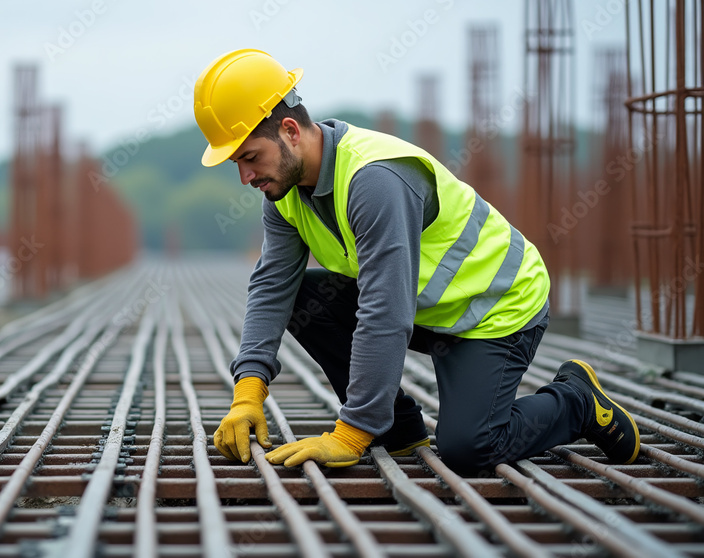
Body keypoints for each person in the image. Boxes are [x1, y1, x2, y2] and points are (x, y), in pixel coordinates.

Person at [194, 48, 640, 475]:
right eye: (237, 163)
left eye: (251, 158)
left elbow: (385, 312)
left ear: (290, 131)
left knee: (469, 448)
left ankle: (577, 401)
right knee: (303, 296)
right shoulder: (285, 193)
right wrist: (248, 391)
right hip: (428, 308)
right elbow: (272, 287)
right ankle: (396, 428)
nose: (245, 177)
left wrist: (350, 435)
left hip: (496, 309)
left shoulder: (375, 180)